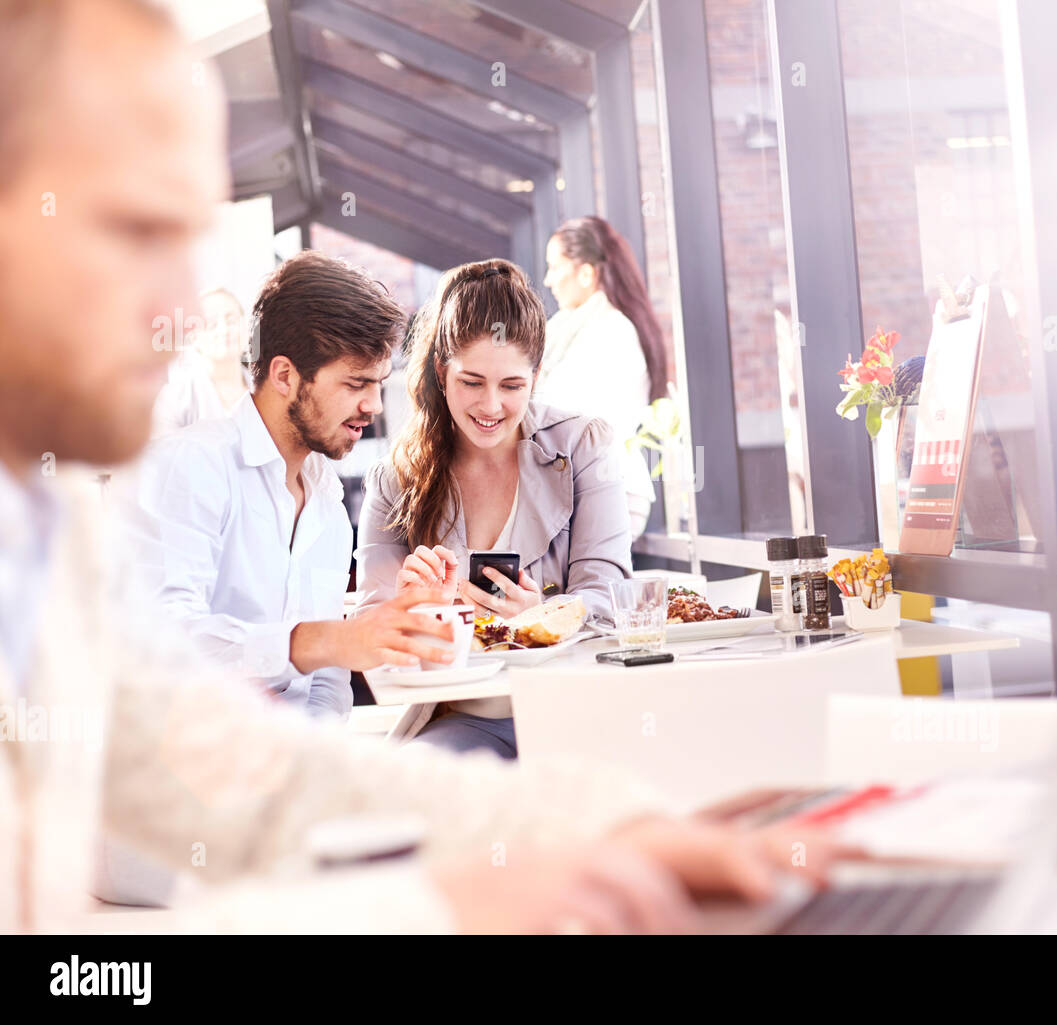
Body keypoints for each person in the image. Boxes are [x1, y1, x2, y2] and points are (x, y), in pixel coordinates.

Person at [0, 0, 835, 934]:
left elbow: (239, 768)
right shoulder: (155, 485)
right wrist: (424, 898)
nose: (185, 309)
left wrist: (608, 823)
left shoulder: (44, 522)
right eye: (134, 230)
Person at [121, 251, 451, 719]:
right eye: (356, 383)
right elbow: (163, 639)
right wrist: (323, 640)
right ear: (284, 375)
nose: (374, 405)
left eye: (378, 383)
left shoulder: (328, 509)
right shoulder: (190, 467)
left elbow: (327, 685)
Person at [356, 259, 630, 758]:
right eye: (472, 382)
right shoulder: (396, 476)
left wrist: (547, 616)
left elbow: (609, 592)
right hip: (463, 722)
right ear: (442, 372)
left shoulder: (584, 446)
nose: (490, 406)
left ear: (535, 376)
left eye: (511, 386)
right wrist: (410, 607)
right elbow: (370, 629)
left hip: (577, 711)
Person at [537, 216, 669, 538]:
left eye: (555, 267)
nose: (547, 280)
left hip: (608, 489)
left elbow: (575, 415)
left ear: (585, 273)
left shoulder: (611, 331)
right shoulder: (567, 328)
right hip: (583, 486)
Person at [152, 287, 252, 436]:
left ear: (245, 327)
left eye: (231, 321)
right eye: (211, 324)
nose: (224, 330)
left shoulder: (266, 392)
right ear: (194, 337)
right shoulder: (173, 400)